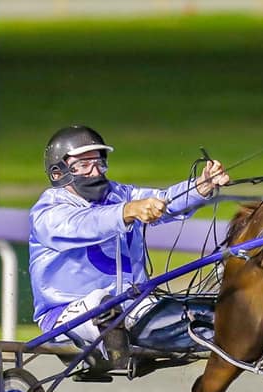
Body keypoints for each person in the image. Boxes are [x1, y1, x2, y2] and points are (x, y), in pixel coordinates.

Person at [29, 124, 230, 353]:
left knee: (203, 315)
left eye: (99, 163)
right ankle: (115, 331)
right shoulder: (48, 211)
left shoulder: (119, 195)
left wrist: (200, 188)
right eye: (83, 166)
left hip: (132, 303)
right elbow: (85, 223)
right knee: (101, 305)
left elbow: (162, 201)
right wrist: (127, 211)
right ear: (58, 173)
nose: (95, 172)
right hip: (66, 313)